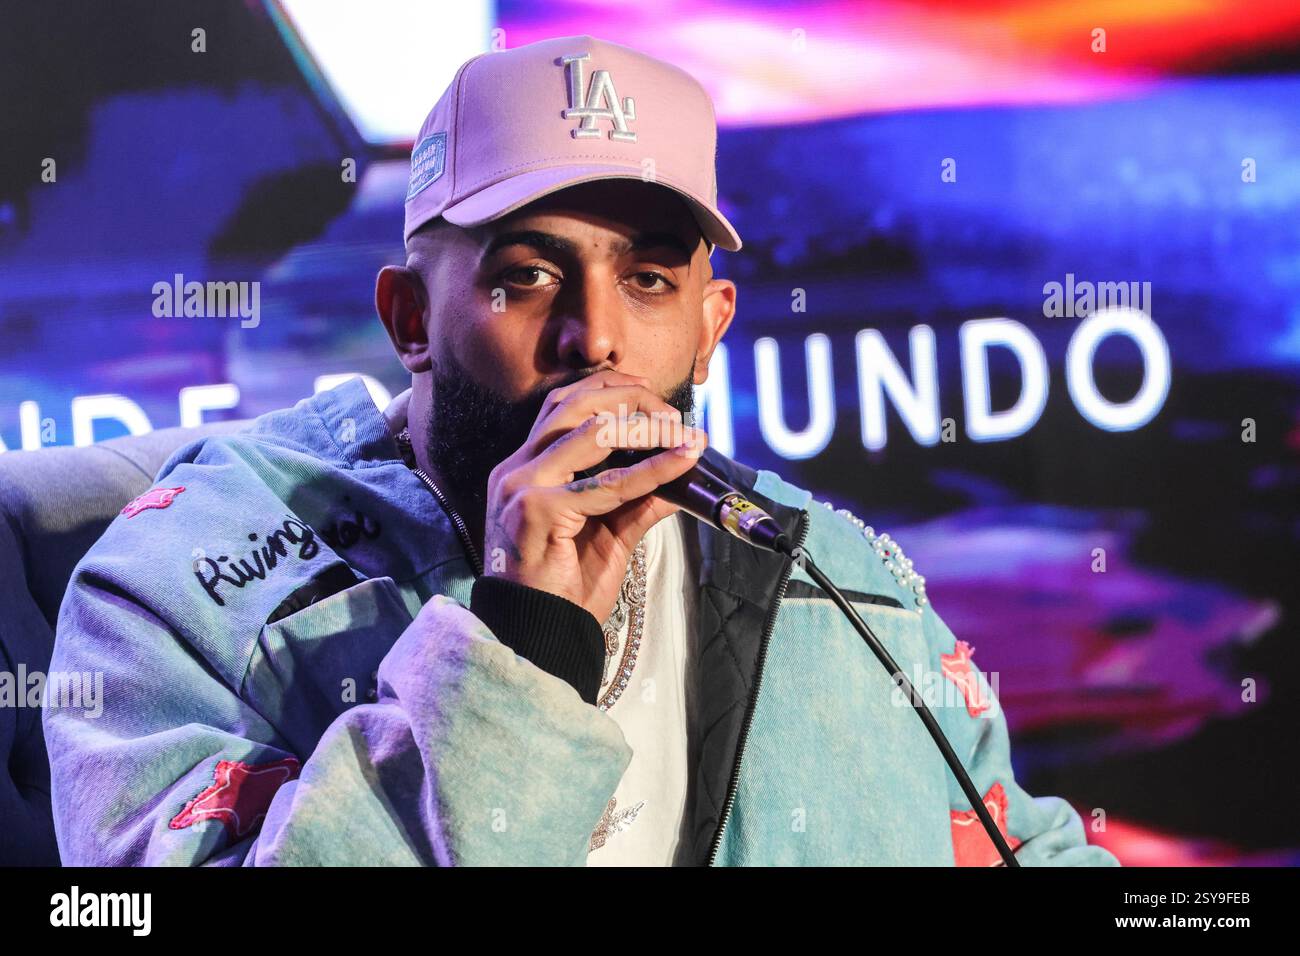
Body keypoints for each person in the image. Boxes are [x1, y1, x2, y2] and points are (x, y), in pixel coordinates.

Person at [44, 34, 1119, 867]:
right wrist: (522, 643)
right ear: (409, 317)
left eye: (649, 278)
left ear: (711, 323)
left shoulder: (841, 580)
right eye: (527, 272)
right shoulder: (185, 581)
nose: (594, 335)